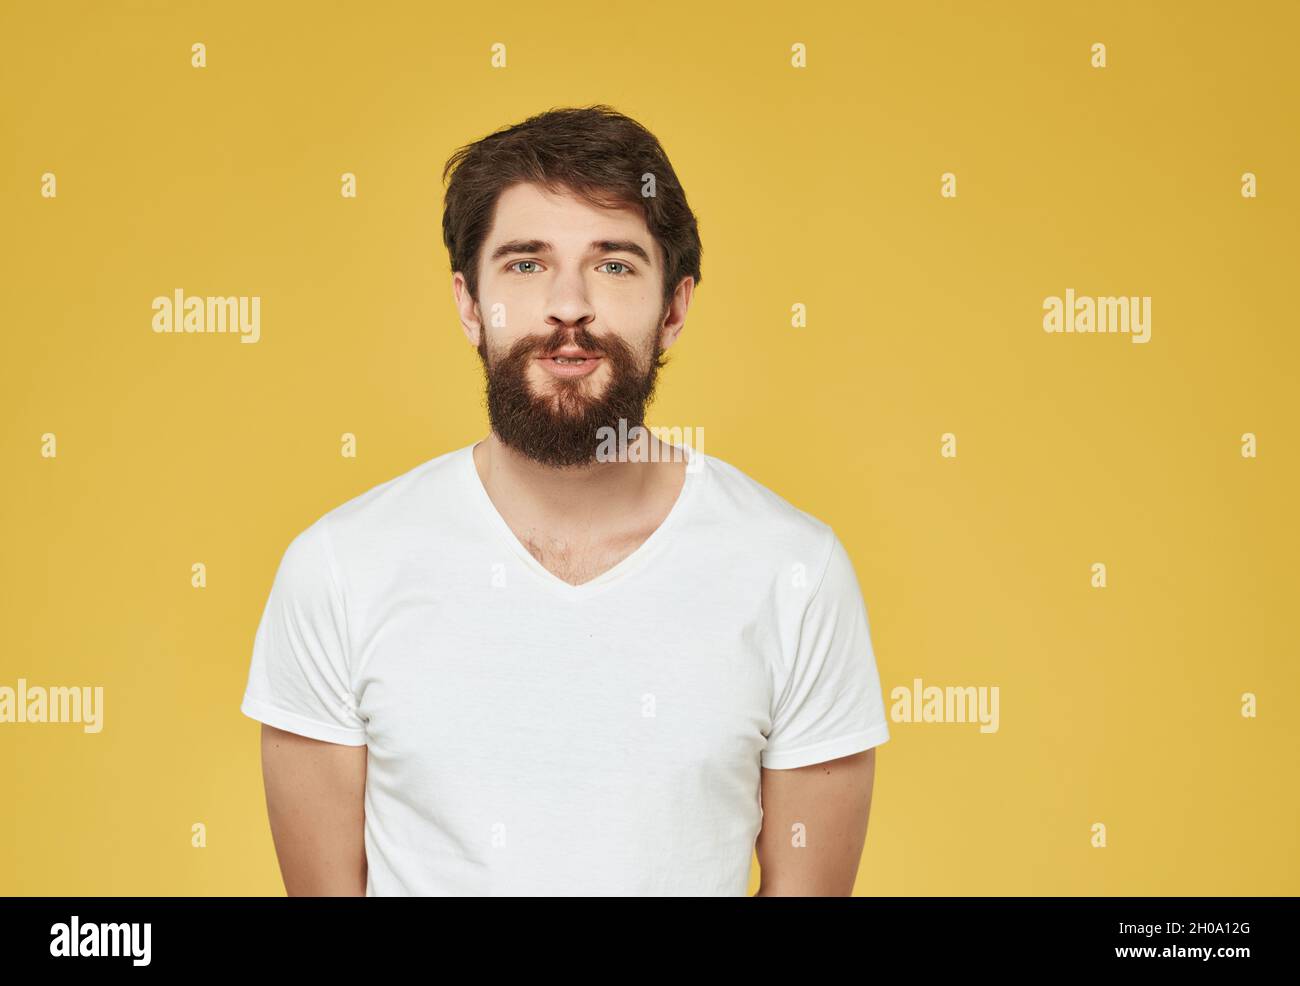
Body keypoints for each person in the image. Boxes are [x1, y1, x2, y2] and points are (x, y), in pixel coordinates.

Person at [240, 104, 890, 896]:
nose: (569, 304)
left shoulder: (796, 572)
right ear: (469, 305)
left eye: (614, 264)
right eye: (525, 264)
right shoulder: (339, 570)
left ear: (675, 309)